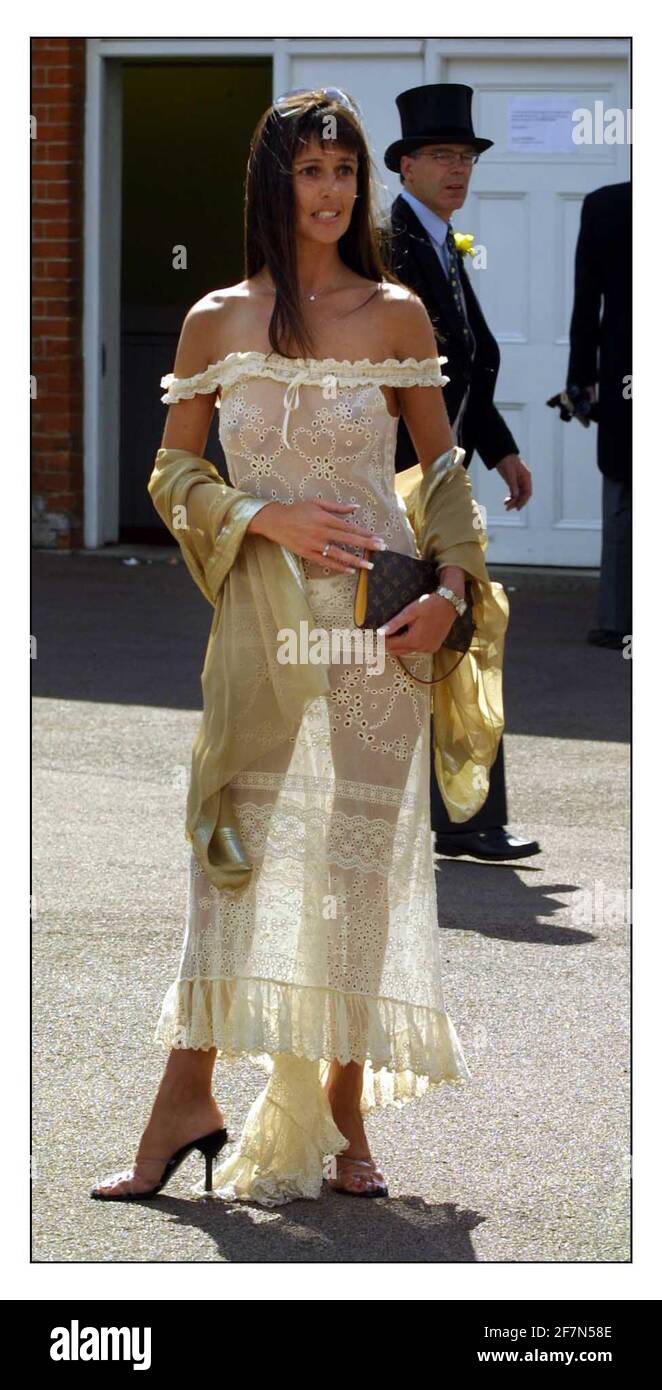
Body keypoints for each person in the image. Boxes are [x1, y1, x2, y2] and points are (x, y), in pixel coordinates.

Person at [90, 88, 506, 1207]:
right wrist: (255, 516)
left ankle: (343, 1107)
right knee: (229, 849)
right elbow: (173, 472)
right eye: (307, 171)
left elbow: (439, 471)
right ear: (270, 183)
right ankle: (186, 1096)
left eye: (342, 171)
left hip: (379, 630)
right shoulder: (215, 320)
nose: (327, 192)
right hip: (260, 626)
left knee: (353, 874)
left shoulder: (396, 314)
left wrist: (452, 590)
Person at [385, 82, 539, 863]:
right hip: (403, 481)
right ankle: (464, 819)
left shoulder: (443, 241)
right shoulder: (391, 245)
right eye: (442, 155)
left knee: (451, 635)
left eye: (466, 156)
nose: (458, 169)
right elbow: (409, 376)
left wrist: (501, 444)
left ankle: (461, 816)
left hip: (442, 474)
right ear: (405, 165)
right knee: (450, 630)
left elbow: (468, 362)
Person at [566, 180, 632, 648]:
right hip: (624, 374)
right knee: (623, 488)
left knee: (624, 495)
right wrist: (581, 379)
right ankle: (617, 617)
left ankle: (619, 618)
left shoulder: (607, 205)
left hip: (625, 373)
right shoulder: (607, 206)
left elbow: (587, 301)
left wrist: (580, 379)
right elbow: (586, 301)